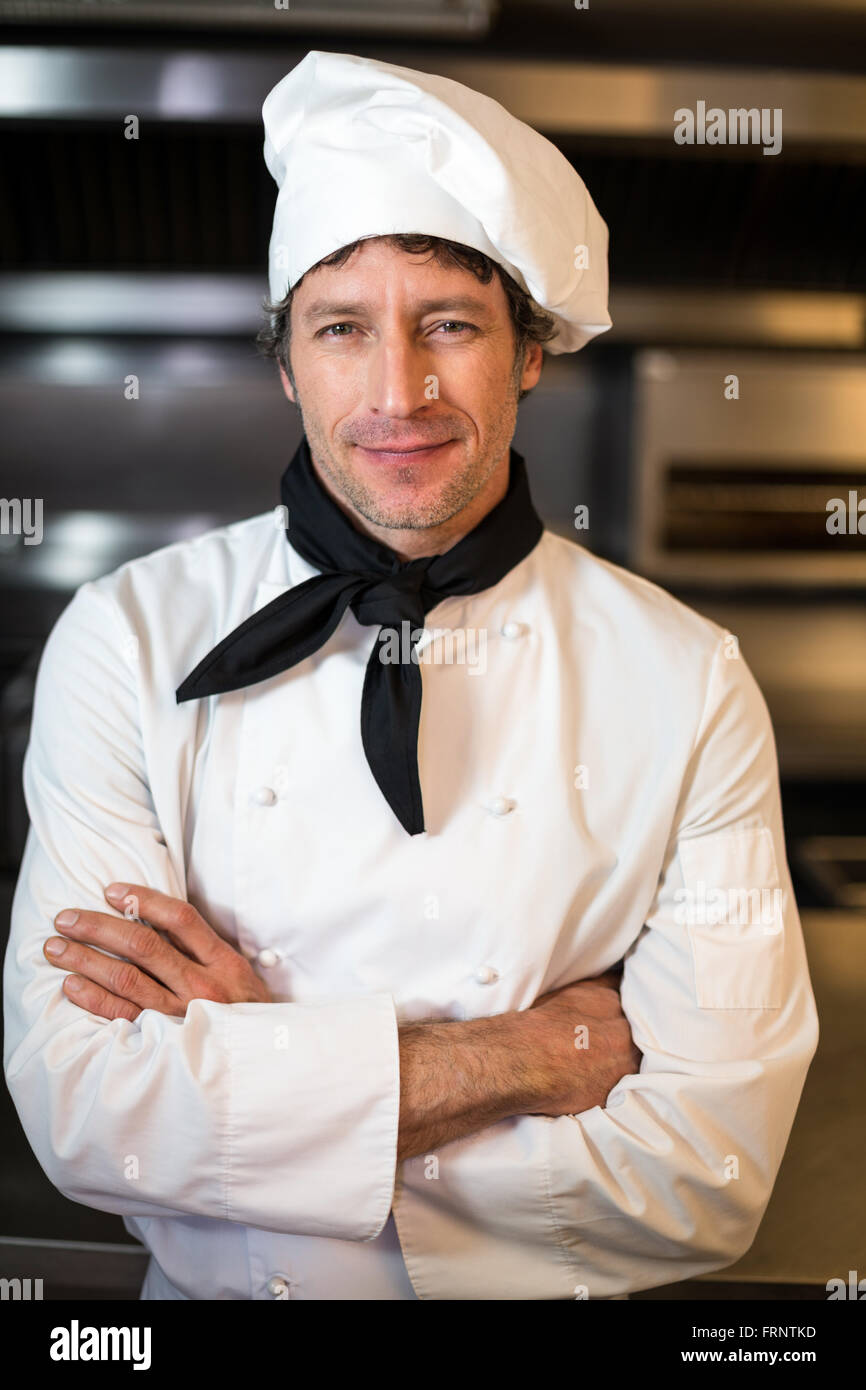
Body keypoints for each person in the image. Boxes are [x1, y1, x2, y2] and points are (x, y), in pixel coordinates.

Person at [3, 50, 818, 1301]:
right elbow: (88, 1111)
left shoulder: (685, 678)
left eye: (449, 324)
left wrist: (259, 1079)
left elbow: (707, 1173)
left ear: (530, 352)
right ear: (286, 364)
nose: (400, 392)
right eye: (342, 329)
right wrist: (531, 1060)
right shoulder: (127, 637)